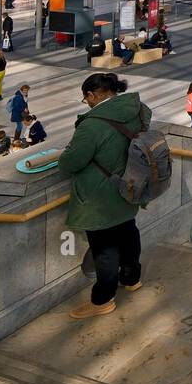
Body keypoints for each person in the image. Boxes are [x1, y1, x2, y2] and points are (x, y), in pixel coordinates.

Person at [59, 72, 148, 319]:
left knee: (105, 249)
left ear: (93, 95)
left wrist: (66, 153)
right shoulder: (137, 110)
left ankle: (103, 300)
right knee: (129, 233)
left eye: (85, 98)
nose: (86, 103)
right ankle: (132, 279)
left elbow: (70, 162)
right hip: (130, 187)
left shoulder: (93, 124)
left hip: (101, 197)